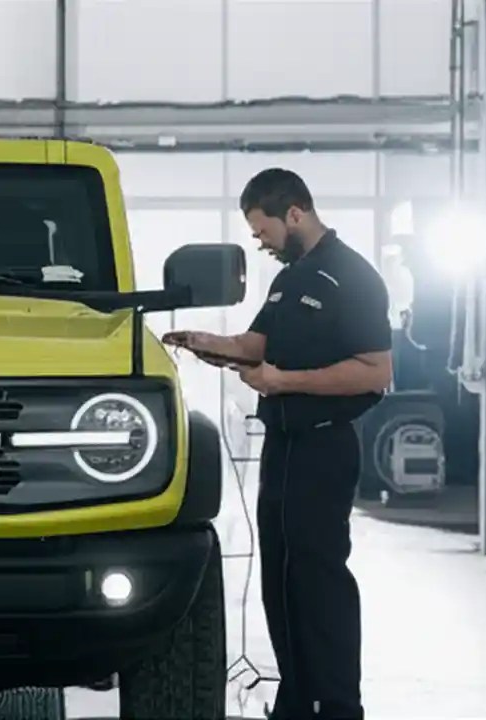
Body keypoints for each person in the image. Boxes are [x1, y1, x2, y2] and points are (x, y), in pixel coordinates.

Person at [164, 168, 392, 720]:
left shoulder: (352, 276)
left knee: (318, 584)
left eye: (262, 230)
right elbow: (257, 343)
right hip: (285, 449)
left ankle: (336, 707)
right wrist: (208, 344)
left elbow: (375, 371)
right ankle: (296, 701)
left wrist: (283, 381)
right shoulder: (291, 277)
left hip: (324, 448)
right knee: (281, 582)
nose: (258, 242)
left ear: (295, 213)